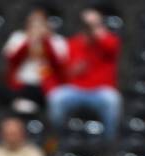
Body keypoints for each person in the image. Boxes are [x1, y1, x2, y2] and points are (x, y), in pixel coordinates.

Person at [47, 9, 121, 138]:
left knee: (112, 99)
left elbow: (112, 48)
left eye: (95, 23)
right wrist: (74, 70)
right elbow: (64, 73)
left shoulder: (109, 40)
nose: (90, 27)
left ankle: (110, 141)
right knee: (56, 97)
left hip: (100, 91)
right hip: (76, 90)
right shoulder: (73, 43)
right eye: (88, 24)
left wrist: (98, 31)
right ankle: (55, 137)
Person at [1, 8, 67, 120]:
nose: (36, 26)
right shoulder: (18, 37)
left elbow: (59, 64)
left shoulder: (57, 40)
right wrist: (28, 42)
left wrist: (45, 41)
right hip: (20, 84)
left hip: (45, 85)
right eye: (33, 22)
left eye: (40, 23)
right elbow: (11, 59)